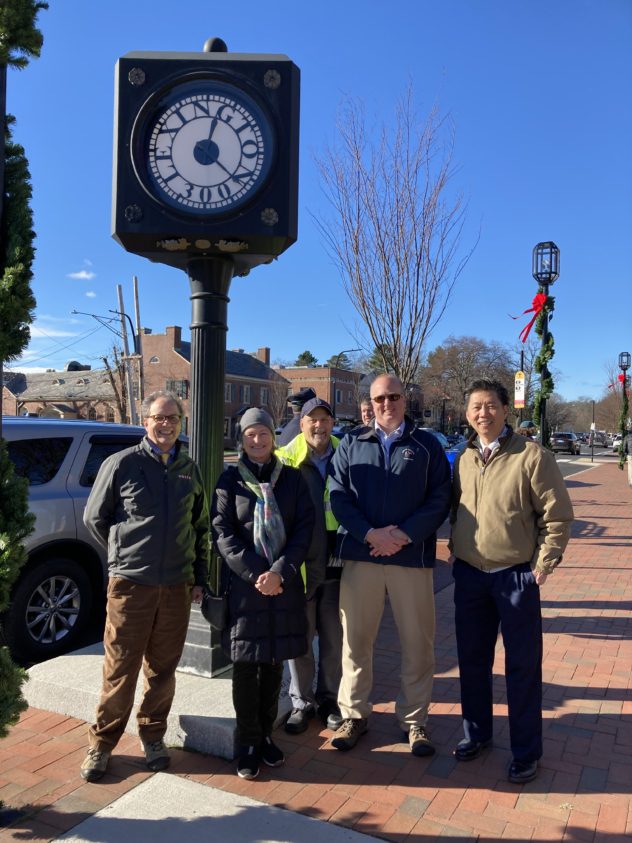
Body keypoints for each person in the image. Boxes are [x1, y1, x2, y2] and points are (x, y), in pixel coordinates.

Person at [449, 378, 573, 784]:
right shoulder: (463, 458)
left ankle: (525, 751)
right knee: (472, 662)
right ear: (467, 414)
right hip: (470, 577)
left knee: (521, 668)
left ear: (506, 410)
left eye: (489, 405)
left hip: (516, 577)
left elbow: (556, 517)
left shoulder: (532, 456)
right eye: (475, 407)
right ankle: (477, 734)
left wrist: (542, 566)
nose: (482, 413)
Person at [80, 391, 209, 782]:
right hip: (131, 586)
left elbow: (200, 527)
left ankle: (153, 736)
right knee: (120, 668)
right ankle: (101, 745)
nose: (165, 424)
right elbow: (94, 519)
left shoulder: (189, 468)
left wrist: (198, 577)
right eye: (158, 418)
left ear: (180, 422)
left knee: (163, 669)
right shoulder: (121, 464)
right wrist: (124, 558)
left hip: (176, 586)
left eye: (172, 418)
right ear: (145, 421)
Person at [327, 374, 451, 755]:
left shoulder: (427, 444)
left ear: (405, 399)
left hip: (410, 558)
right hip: (362, 557)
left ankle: (414, 721)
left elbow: (439, 499)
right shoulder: (351, 443)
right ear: (371, 401)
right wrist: (370, 534)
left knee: (418, 644)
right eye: (379, 398)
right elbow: (338, 494)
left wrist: (402, 535)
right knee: (356, 642)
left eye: (393, 396)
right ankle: (354, 714)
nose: (386, 403)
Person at [211, 408, 314, 780]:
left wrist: (280, 572)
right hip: (245, 588)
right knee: (245, 666)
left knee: (273, 664)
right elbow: (223, 535)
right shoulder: (228, 481)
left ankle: (266, 735)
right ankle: (248, 742)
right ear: (241, 438)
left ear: (273, 437)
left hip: (282, 584)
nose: (257, 441)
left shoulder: (292, 480)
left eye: (263, 434)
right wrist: (259, 573)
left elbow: (305, 529)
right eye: (250, 435)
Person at [276, 398, 343, 735]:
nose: (319, 426)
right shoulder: (284, 460)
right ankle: (301, 702)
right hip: (300, 568)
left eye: (325, 420)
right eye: (312, 420)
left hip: (339, 568)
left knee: (334, 640)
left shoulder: (347, 454)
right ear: (301, 423)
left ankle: (329, 700)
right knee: (300, 640)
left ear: (333, 423)